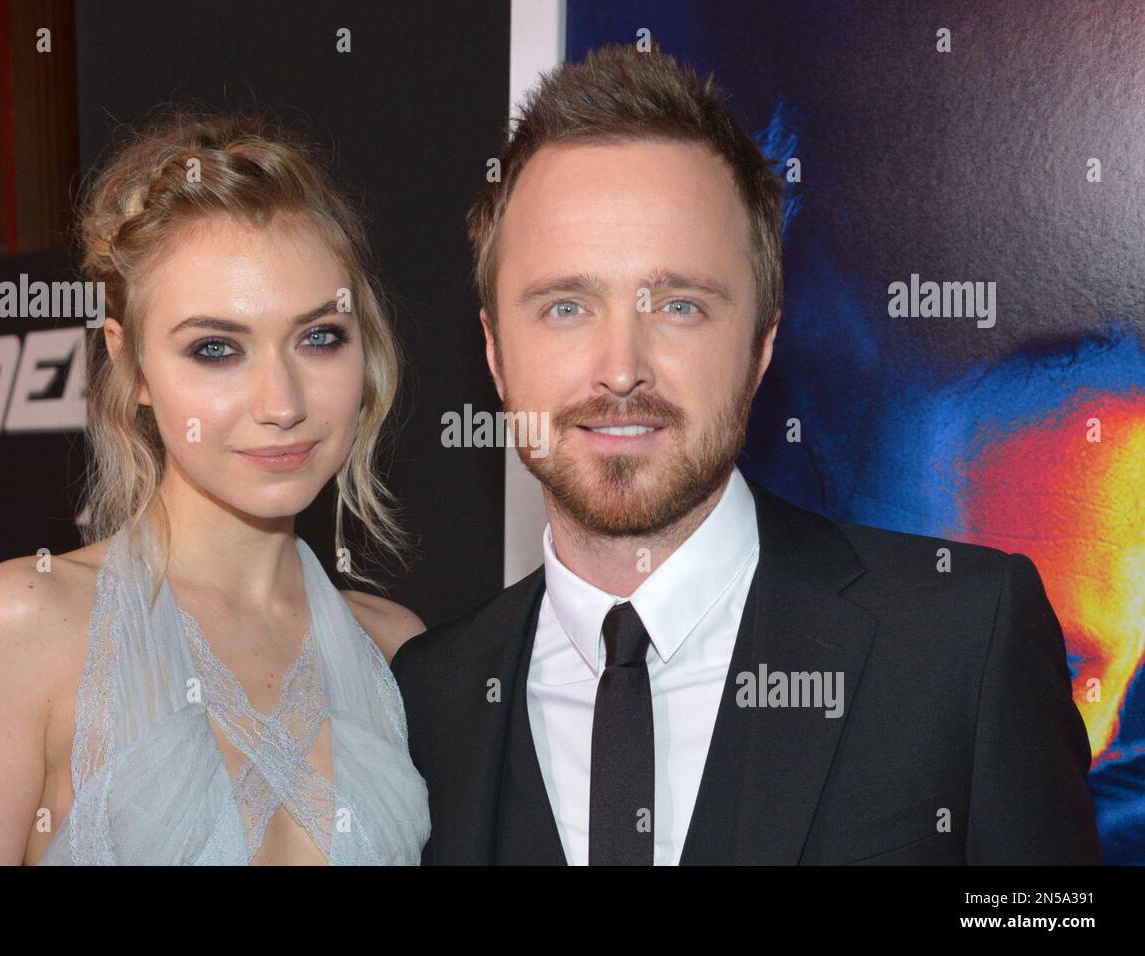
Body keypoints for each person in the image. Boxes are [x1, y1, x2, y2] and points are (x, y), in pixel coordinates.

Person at [390, 44, 1102, 865]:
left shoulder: (963, 641)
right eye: (565, 307)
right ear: (495, 352)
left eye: (682, 304)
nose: (621, 367)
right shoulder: (429, 698)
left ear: (762, 343)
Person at [0, 111, 430, 865]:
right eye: (216, 349)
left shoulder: (398, 653)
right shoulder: (23, 627)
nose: (282, 402)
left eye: (319, 337)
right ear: (132, 365)